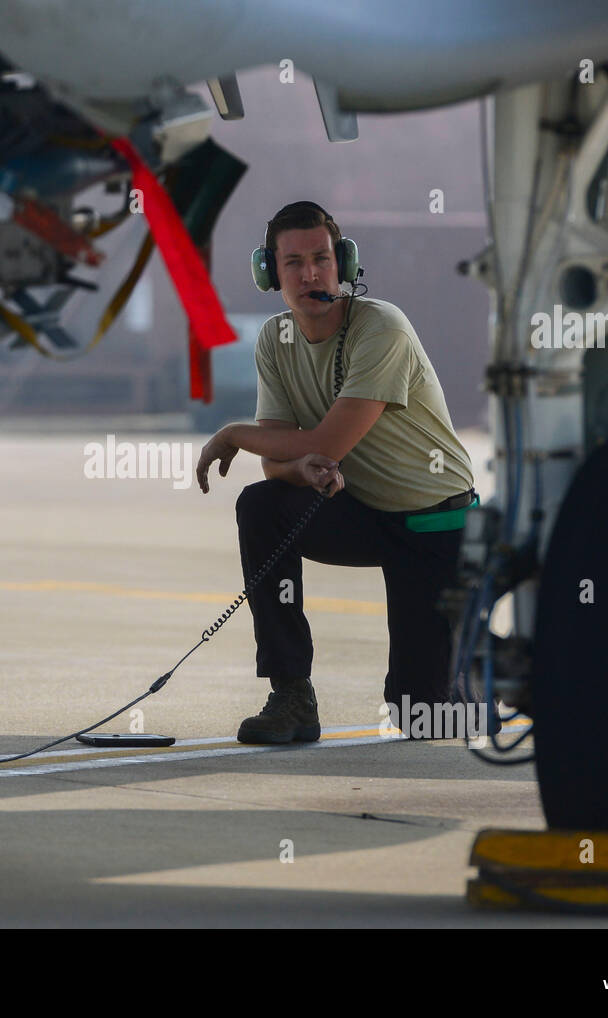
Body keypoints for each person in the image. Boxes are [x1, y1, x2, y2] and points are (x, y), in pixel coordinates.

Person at [195, 201, 477, 743]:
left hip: (432, 525)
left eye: (321, 259)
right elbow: (278, 457)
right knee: (261, 505)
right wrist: (298, 467)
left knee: (426, 718)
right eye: (293, 262)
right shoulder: (276, 341)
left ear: (342, 264)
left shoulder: (381, 328)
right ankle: (291, 695)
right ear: (268, 274)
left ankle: (480, 676)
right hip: (361, 510)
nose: (309, 274)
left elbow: (326, 442)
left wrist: (232, 434)